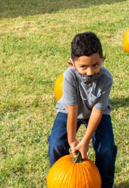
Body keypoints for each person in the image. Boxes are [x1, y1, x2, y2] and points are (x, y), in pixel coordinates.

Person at [48, 32, 117, 187]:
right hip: (70, 111)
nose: (90, 72)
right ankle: (59, 179)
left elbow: (98, 112)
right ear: (72, 64)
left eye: (95, 65)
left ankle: (104, 184)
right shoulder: (69, 77)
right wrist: (72, 140)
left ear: (102, 60)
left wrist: (85, 141)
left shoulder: (106, 79)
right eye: (83, 67)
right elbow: (72, 112)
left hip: (96, 113)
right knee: (56, 143)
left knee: (106, 147)